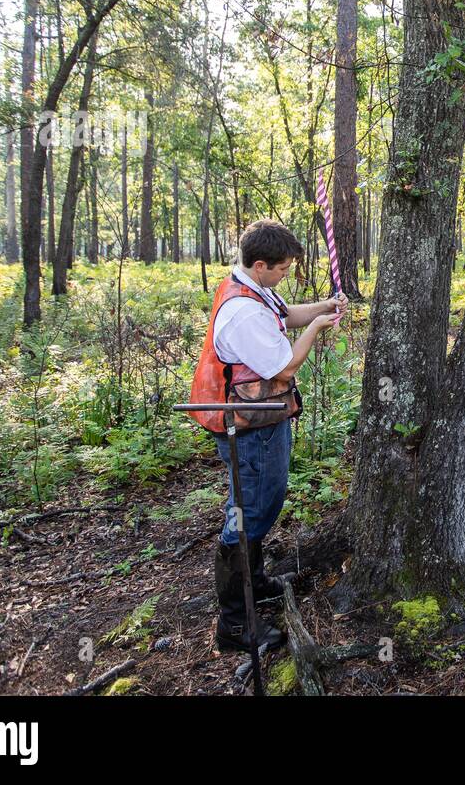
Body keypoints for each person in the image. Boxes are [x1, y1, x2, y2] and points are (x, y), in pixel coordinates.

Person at [186, 219, 346, 652]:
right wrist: (316, 330)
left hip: (262, 421)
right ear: (260, 265)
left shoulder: (252, 289)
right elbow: (284, 368)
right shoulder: (244, 314)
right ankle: (236, 623)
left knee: (258, 504)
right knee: (248, 513)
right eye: (282, 269)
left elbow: (286, 314)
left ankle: (255, 584)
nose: (286, 275)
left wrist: (323, 306)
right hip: (249, 428)